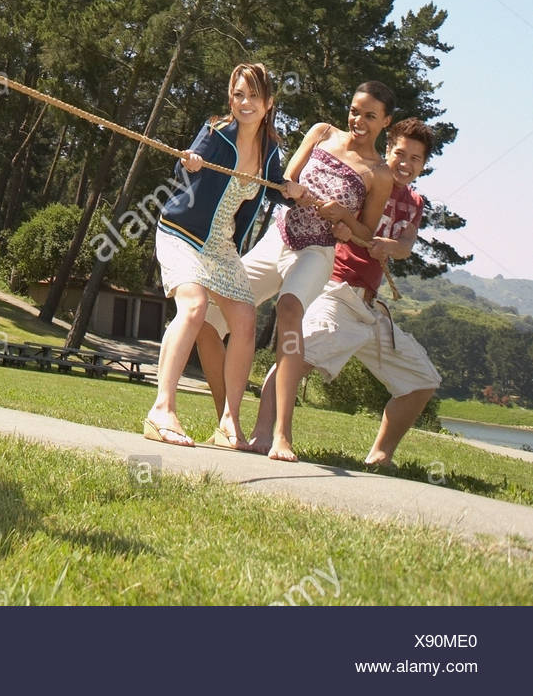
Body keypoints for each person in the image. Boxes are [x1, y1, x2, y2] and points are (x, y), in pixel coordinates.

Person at [197, 81, 396, 461]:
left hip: (316, 252)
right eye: (355, 111)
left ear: (385, 121)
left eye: (370, 116)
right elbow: (285, 177)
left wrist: (345, 220)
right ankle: (228, 421)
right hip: (279, 237)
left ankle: (281, 435)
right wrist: (294, 191)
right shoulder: (322, 132)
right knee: (207, 316)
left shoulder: (379, 174)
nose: (359, 120)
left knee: (289, 311)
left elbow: (366, 234)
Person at [255, 118, 441, 468]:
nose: (405, 162)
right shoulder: (366, 178)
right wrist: (343, 224)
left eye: (415, 158)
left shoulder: (414, 202)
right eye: (400, 152)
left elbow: (405, 246)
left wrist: (389, 245)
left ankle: (381, 455)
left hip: (369, 307)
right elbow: (329, 206)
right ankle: (263, 434)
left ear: (423, 165)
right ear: (387, 148)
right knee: (296, 358)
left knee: (422, 381)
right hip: (336, 289)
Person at [143, 63, 309, 450]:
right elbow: (183, 170)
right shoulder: (216, 133)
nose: (244, 102)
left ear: (268, 103)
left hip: (221, 244)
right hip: (182, 233)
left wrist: (287, 189)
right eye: (238, 95)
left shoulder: (269, 149)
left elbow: (267, 188)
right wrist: (189, 163)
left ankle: (228, 424)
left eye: (253, 95)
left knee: (245, 319)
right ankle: (162, 409)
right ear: (230, 99)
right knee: (194, 306)